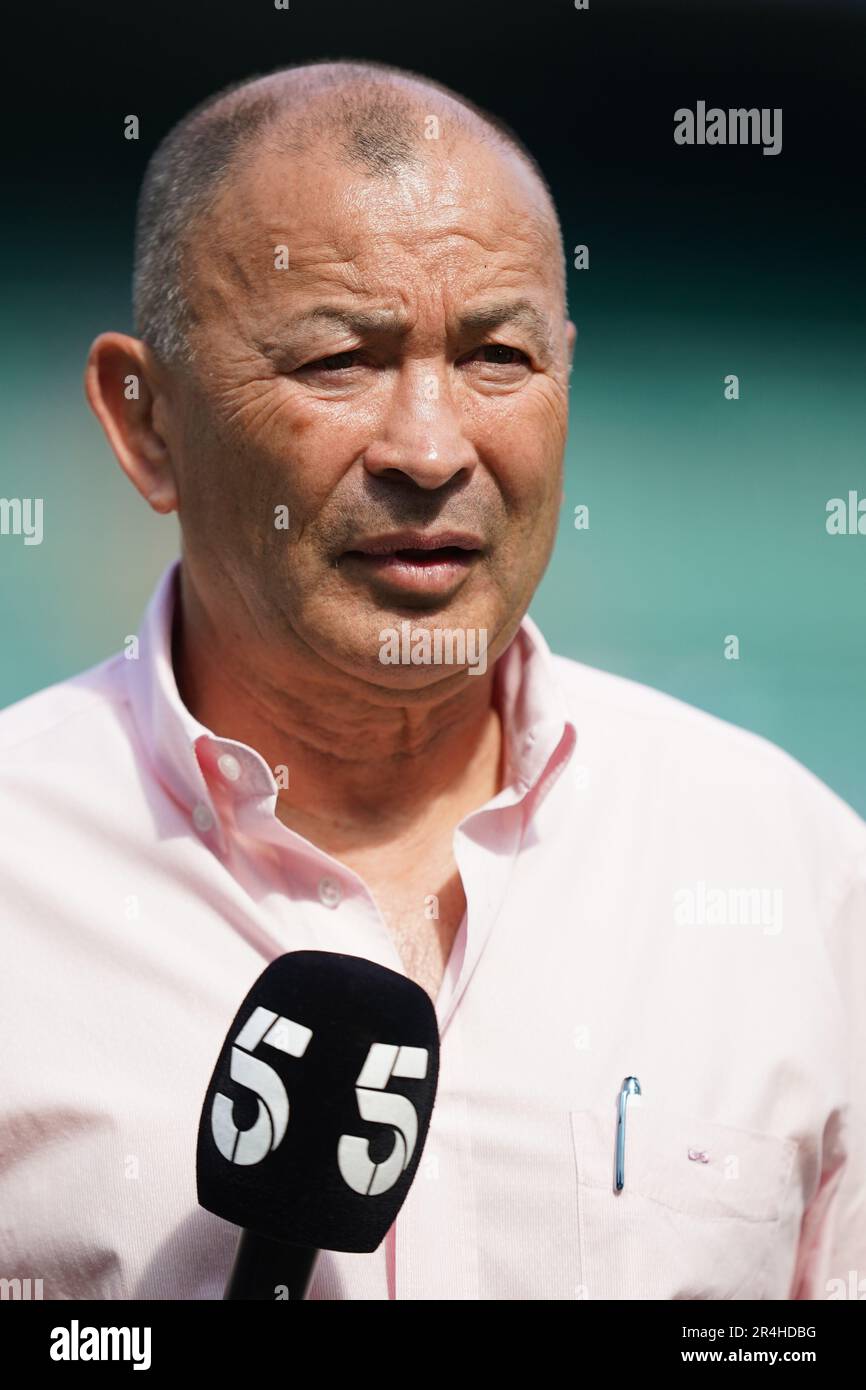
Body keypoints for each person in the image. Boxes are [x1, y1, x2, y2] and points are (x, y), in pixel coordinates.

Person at [0, 59, 863, 1301]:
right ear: (146, 422)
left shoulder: (792, 874)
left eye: (496, 357)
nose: (430, 446)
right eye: (339, 359)